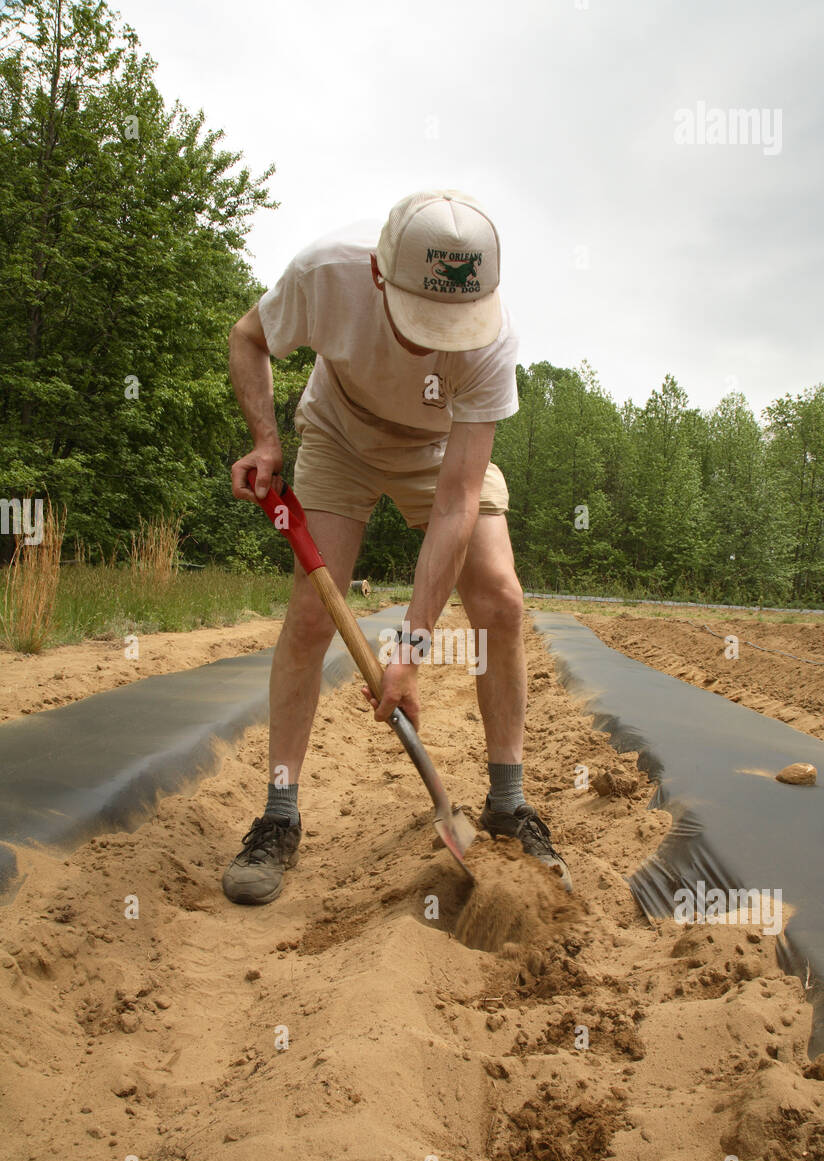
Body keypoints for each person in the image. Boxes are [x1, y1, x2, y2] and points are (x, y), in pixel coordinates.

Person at [222, 189, 571, 904]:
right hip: (340, 430)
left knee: (501, 597)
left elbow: (456, 502)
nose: (436, 337)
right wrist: (266, 440)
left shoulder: (493, 340)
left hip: (440, 448)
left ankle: (507, 803)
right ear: (381, 275)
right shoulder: (326, 272)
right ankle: (278, 814)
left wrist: (408, 651)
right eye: (422, 318)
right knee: (313, 616)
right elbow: (247, 337)